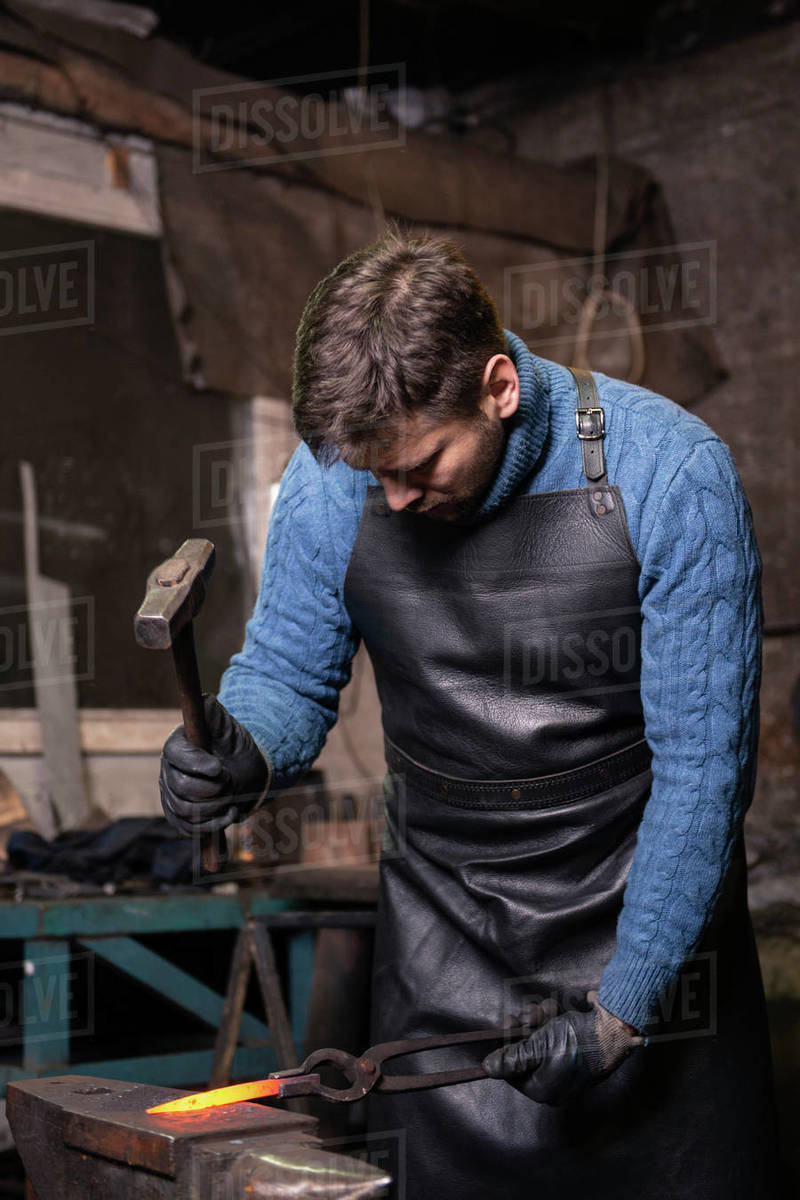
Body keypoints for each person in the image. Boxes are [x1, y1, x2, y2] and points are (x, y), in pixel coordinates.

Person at [159, 228, 783, 1198]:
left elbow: (704, 777)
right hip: (442, 932)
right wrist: (242, 749)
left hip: (637, 912)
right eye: (377, 478)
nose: (395, 500)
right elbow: (287, 673)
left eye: (422, 468)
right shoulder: (338, 479)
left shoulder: (670, 475)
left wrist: (623, 1005)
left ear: (498, 386)